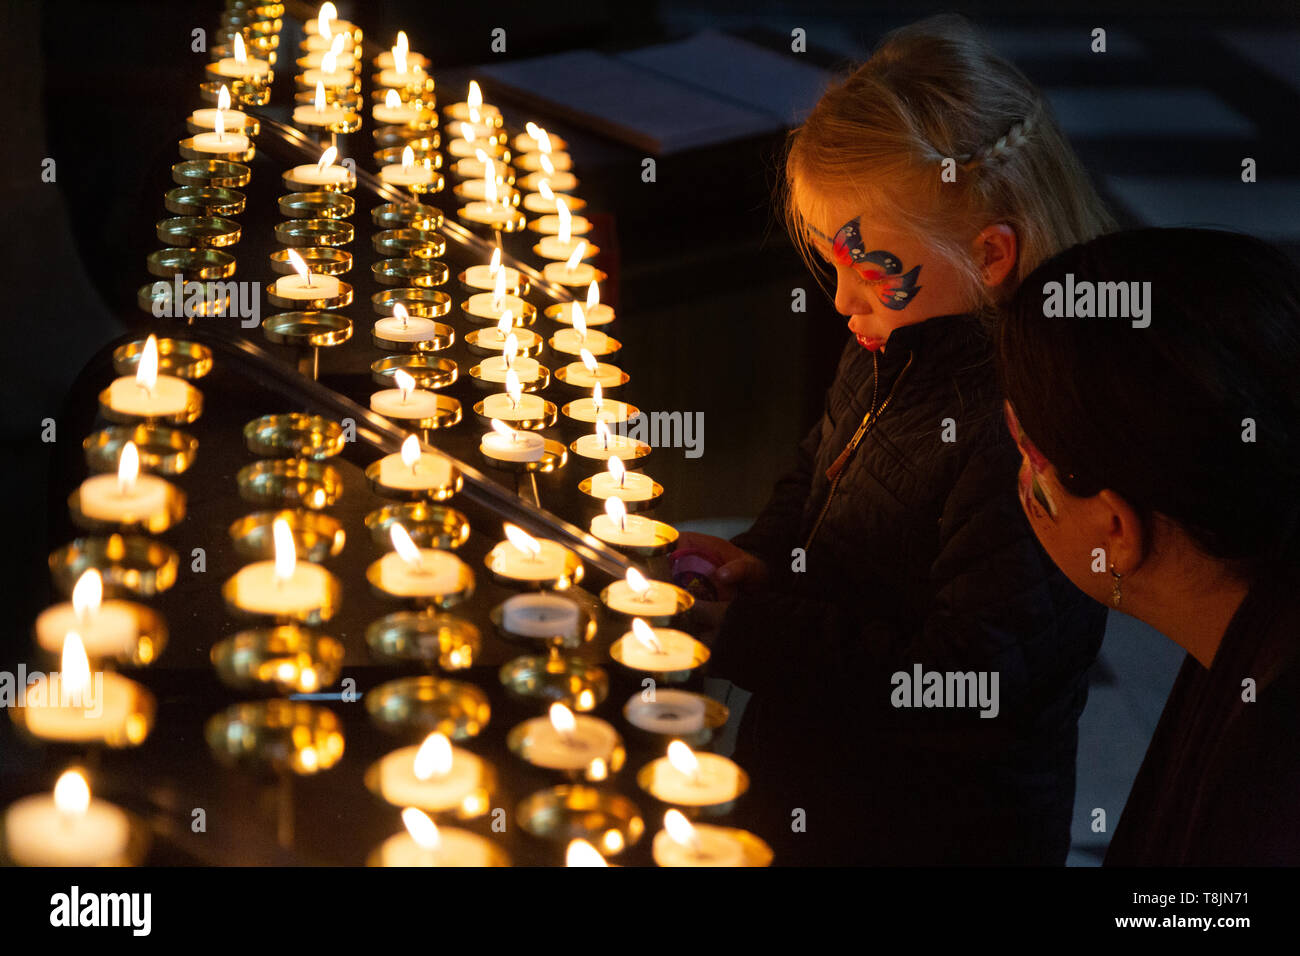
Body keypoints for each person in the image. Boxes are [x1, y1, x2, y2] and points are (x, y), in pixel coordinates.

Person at [673, 14, 1112, 864]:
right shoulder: (896, 338)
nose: (841, 301)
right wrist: (763, 559)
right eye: (831, 265)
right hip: (822, 785)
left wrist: (753, 636)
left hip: (929, 829)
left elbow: (966, 684)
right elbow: (820, 467)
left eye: (866, 269)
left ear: (990, 254)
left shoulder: (1028, 431)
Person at [997, 227, 1300, 865]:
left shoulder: (1264, 803)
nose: (1014, 480)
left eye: (1026, 453)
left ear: (1116, 529)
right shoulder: (1252, 631)